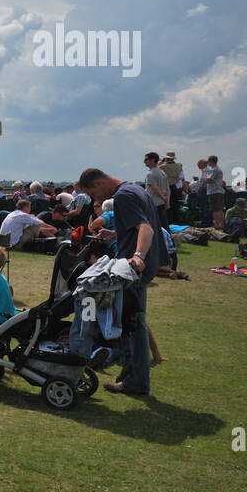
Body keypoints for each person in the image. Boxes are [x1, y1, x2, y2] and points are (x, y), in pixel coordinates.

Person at [78, 166, 169, 396]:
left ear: (98, 183)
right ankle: (131, 371)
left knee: (133, 325)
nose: (95, 199)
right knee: (131, 322)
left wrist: (138, 256)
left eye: (92, 194)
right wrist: (116, 234)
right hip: (148, 263)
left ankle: (136, 381)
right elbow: (142, 225)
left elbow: (146, 229)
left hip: (134, 269)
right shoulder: (136, 190)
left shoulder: (122, 197)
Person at [203, 155, 226, 231]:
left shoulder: (215, 170)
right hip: (217, 191)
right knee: (219, 209)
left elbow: (207, 180)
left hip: (215, 192)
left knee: (216, 209)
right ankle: (221, 224)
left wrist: (205, 173)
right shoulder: (216, 169)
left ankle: (217, 224)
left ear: (211, 161)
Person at [143, 151, 169, 216]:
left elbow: (155, 188)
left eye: (146, 159)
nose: (144, 161)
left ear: (152, 160)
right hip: (161, 203)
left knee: (154, 224)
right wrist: (166, 201)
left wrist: (163, 198)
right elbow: (168, 188)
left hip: (153, 204)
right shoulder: (162, 172)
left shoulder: (150, 174)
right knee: (163, 223)